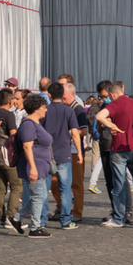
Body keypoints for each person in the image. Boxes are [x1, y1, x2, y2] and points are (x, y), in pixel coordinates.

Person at [97, 81, 133, 229]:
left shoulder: (115, 104)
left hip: (119, 149)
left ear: (112, 94)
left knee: (119, 185)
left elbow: (99, 116)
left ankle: (119, 218)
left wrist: (111, 126)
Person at [45, 77, 83, 230]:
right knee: (65, 189)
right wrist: (79, 152)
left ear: (49, 95)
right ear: (62, 94)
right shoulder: (68, 111)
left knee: (44, 189)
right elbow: (75, 133)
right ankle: (66, 220)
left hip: (47, 154)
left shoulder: (44, 110)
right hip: (65, 154)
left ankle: (41, 221)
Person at [15, 93, 54, 235]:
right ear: (36, 108)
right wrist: (33, 167)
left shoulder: (35, 123)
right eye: (44, 107)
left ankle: (16, 217)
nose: (46, 109)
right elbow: (27, 147)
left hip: (40, 166)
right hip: (34, 166)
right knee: (39, 196)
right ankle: (35, 228)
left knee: (41, 195)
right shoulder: (28, 124)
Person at [0, 88, 22, 234]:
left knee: (1, 187)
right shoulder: (9, 115)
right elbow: (13, 135)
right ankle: (11, 215)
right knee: (16, 186)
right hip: (7, 154)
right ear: (10, 101)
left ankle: (0, 218)